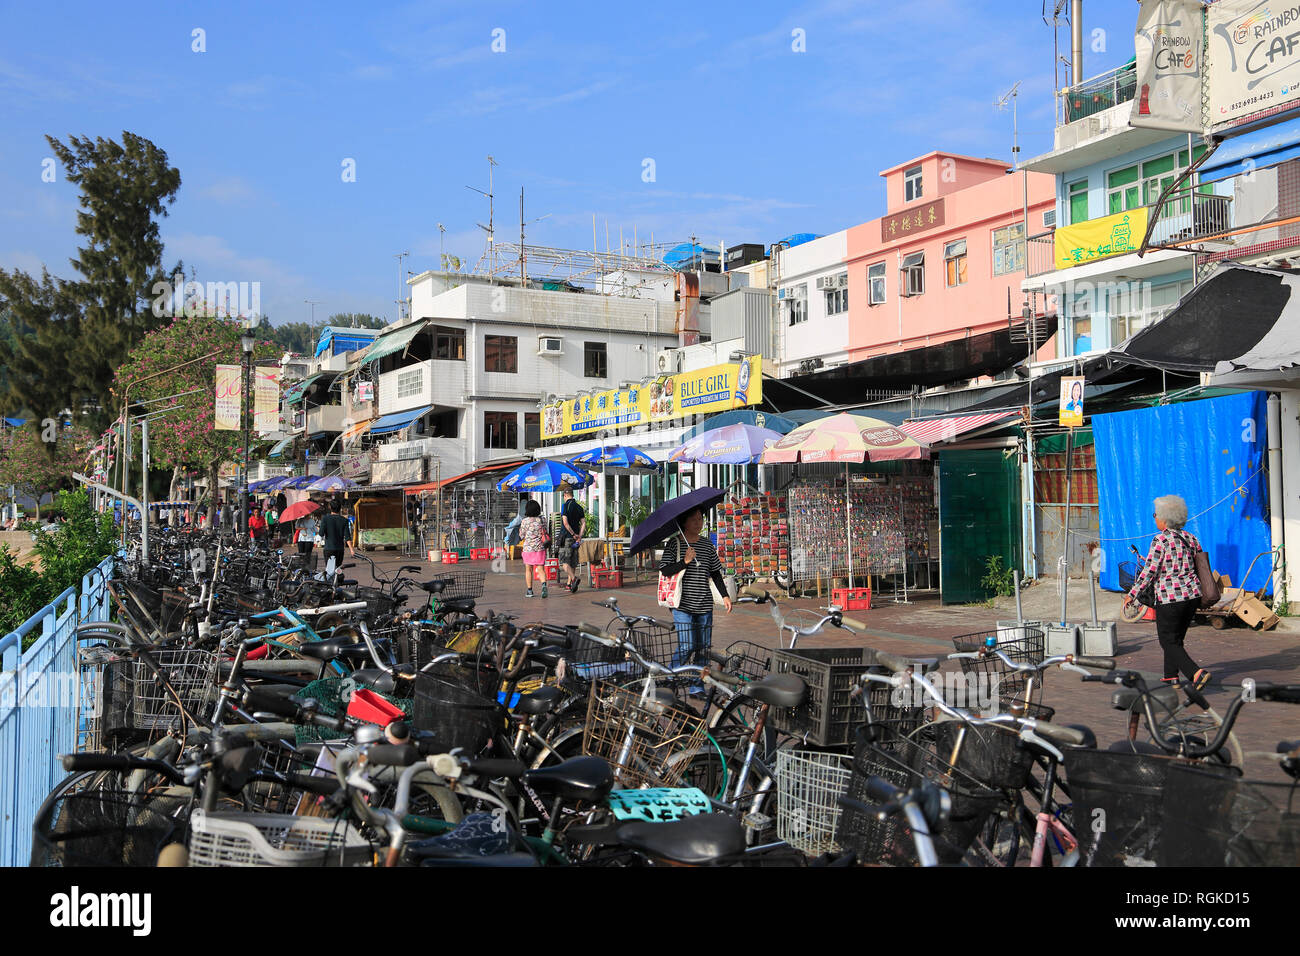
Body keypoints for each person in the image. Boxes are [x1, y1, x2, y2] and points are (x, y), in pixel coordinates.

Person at [1124, 494, 1212, 691]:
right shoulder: (1192, 538)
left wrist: (1132, 594)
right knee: (1176, 638)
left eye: (1155, 514)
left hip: (1170, 598)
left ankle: (1196, 673)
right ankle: (1171, 676)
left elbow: (1149, 571)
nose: (1154, 517)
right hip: (1192, 596)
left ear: (1164, 518)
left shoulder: (1161, 540)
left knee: (1167, 640)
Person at [658, 506, 733, 693]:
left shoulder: (707, 545)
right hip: (682, 605)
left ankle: (696, 687)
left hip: (704, 604)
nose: (698, 523)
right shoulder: (674, 544)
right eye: (694, 520)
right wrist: (685, 561)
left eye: (700, 519)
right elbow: (664, 570)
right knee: (687, 646)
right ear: (684, 522)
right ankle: (669, 675)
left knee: (702, 649)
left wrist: (725, 596)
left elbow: (715, 572)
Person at [519, 500, 549, 599]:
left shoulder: (525, 521)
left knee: (528, 569)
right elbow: (545, 531)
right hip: (540, 548)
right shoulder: (542, 520)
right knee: (540, 569)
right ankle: (544, 585)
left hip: (528, 549)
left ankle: (529, 590)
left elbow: (521, 535)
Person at [559, 485, 586, 593]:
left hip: (567, 537)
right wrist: (579, 535)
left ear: (565, 495)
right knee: (573, 562)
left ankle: (574, 579)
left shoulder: (565, 506)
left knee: (564, 563)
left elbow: (565, 523)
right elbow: (583, 523)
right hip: (576, 540)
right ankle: (570, 585)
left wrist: (573, 534)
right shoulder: (579, 507)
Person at [319, 501, 354, 575]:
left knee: (329, 571)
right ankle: (336, 584)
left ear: (330, 508)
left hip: (329, 549)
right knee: (337, 570)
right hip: (339, 550)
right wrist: (351, 550)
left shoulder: (325, 519)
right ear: (340, 508)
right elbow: (347, 537)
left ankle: (330, 585)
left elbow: (321, 534)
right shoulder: (344, 520)